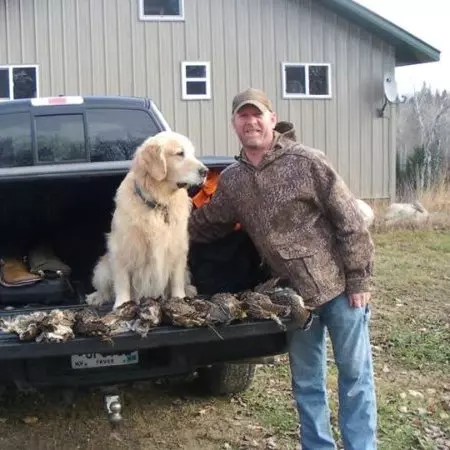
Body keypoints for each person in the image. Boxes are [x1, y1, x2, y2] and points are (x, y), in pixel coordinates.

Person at [188, 88, 377, 450]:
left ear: (272, 120)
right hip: (290, 298)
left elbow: (350, 220)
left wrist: (359, 278)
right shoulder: (233, 180)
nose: (251, 122)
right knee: (307, 382)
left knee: (355, 377)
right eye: (243, 116)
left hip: (338, 288)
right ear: (234, 124)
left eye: (257, 114)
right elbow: (207, 223)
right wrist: (163, 231)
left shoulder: (307, 161)